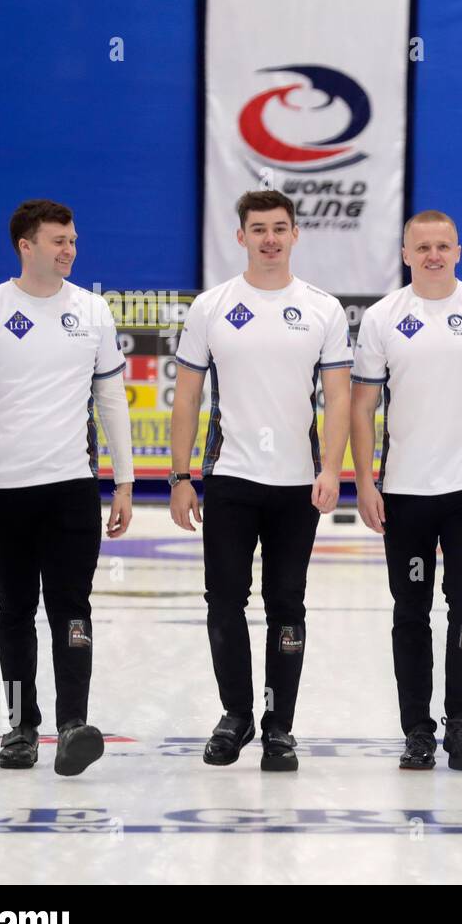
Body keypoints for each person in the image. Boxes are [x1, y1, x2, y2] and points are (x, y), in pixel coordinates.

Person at [0, 198, 134, 775]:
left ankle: (74, 724)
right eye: (57, 240)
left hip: (74, 488)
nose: (69, 249)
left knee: (72, 607)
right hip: (5, 492)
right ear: (26, 246)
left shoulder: (94, 310)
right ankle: (21, 727)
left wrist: (123, 481)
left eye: (73, 239)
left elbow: (111, 399)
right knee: (15, 609)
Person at [169, 190, 351, 772]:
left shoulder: (323, 308)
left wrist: (331, 469)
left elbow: (341, 396)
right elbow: (189, 396)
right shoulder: (212, 306)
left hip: (297, 485)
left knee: (287, 605)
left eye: (279, 228)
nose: (269, 238)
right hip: (230, 480)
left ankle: (279, 727)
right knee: (224, 601)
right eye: (258, 228)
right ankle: (236, 715)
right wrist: (179, 476)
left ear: (296, 234)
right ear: (239, 235)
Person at [351, 210, 462, 772]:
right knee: (411, 612)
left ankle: (461, 724)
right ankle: (417, 731)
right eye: (422, 246)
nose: (433, 255)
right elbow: (361, 407)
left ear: (458, 250)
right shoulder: (382, 318)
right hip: (404, 495)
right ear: (405, 252)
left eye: (443, 246)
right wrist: (364, 482)